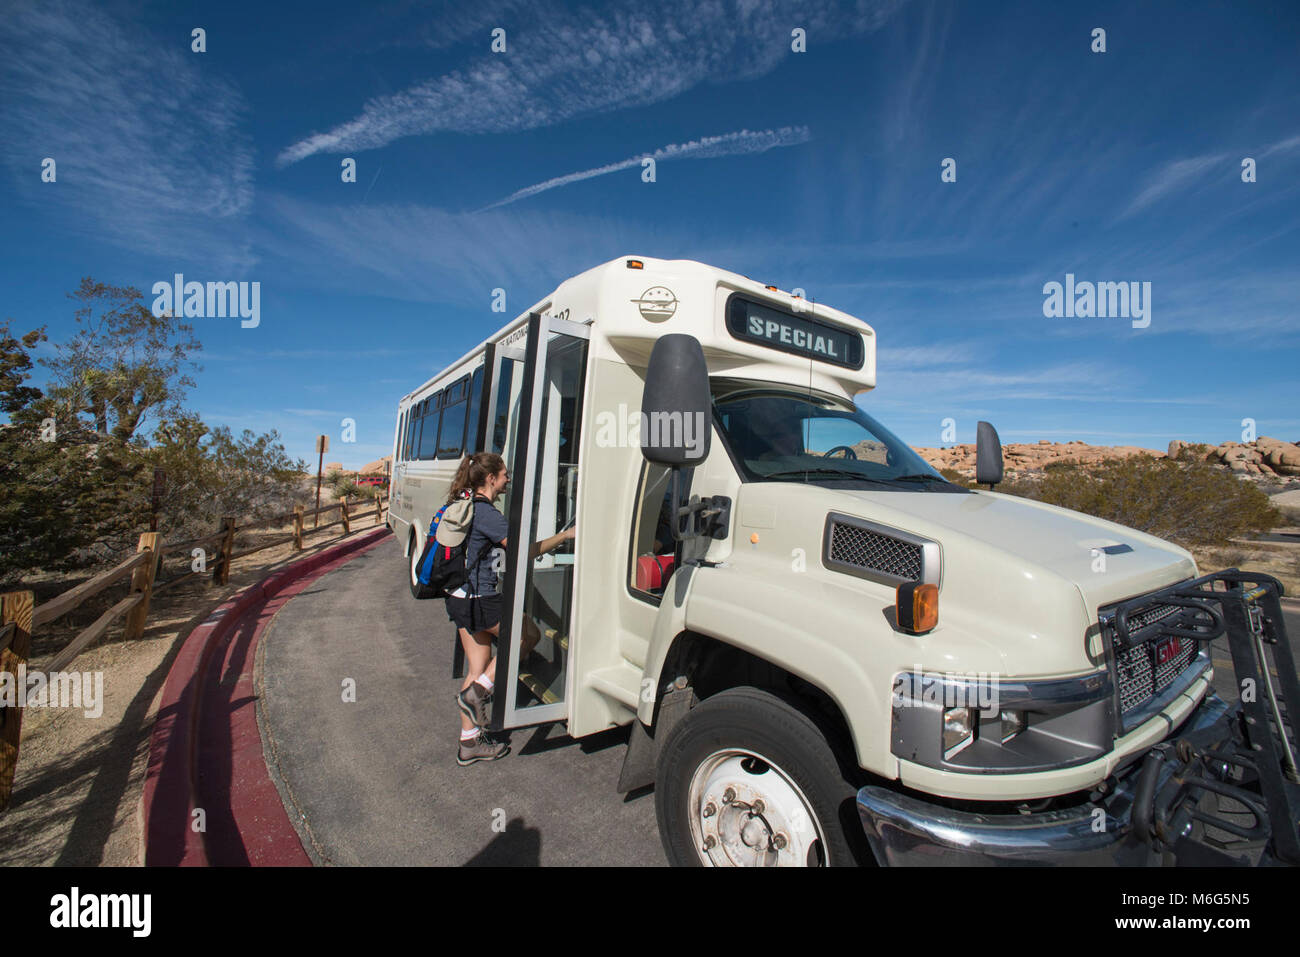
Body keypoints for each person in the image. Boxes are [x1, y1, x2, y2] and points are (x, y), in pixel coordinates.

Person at [438, 452, 575, 765]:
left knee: (477, 668)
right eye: (504, 475)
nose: (507, 480)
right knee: (528, 635)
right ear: (490, 479)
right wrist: (565, 535)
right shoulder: (486, 513)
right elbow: (522, 552)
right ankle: (477, 694)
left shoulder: (463, 503)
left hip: (459, 598)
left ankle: (469, 743)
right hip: (481, 599)